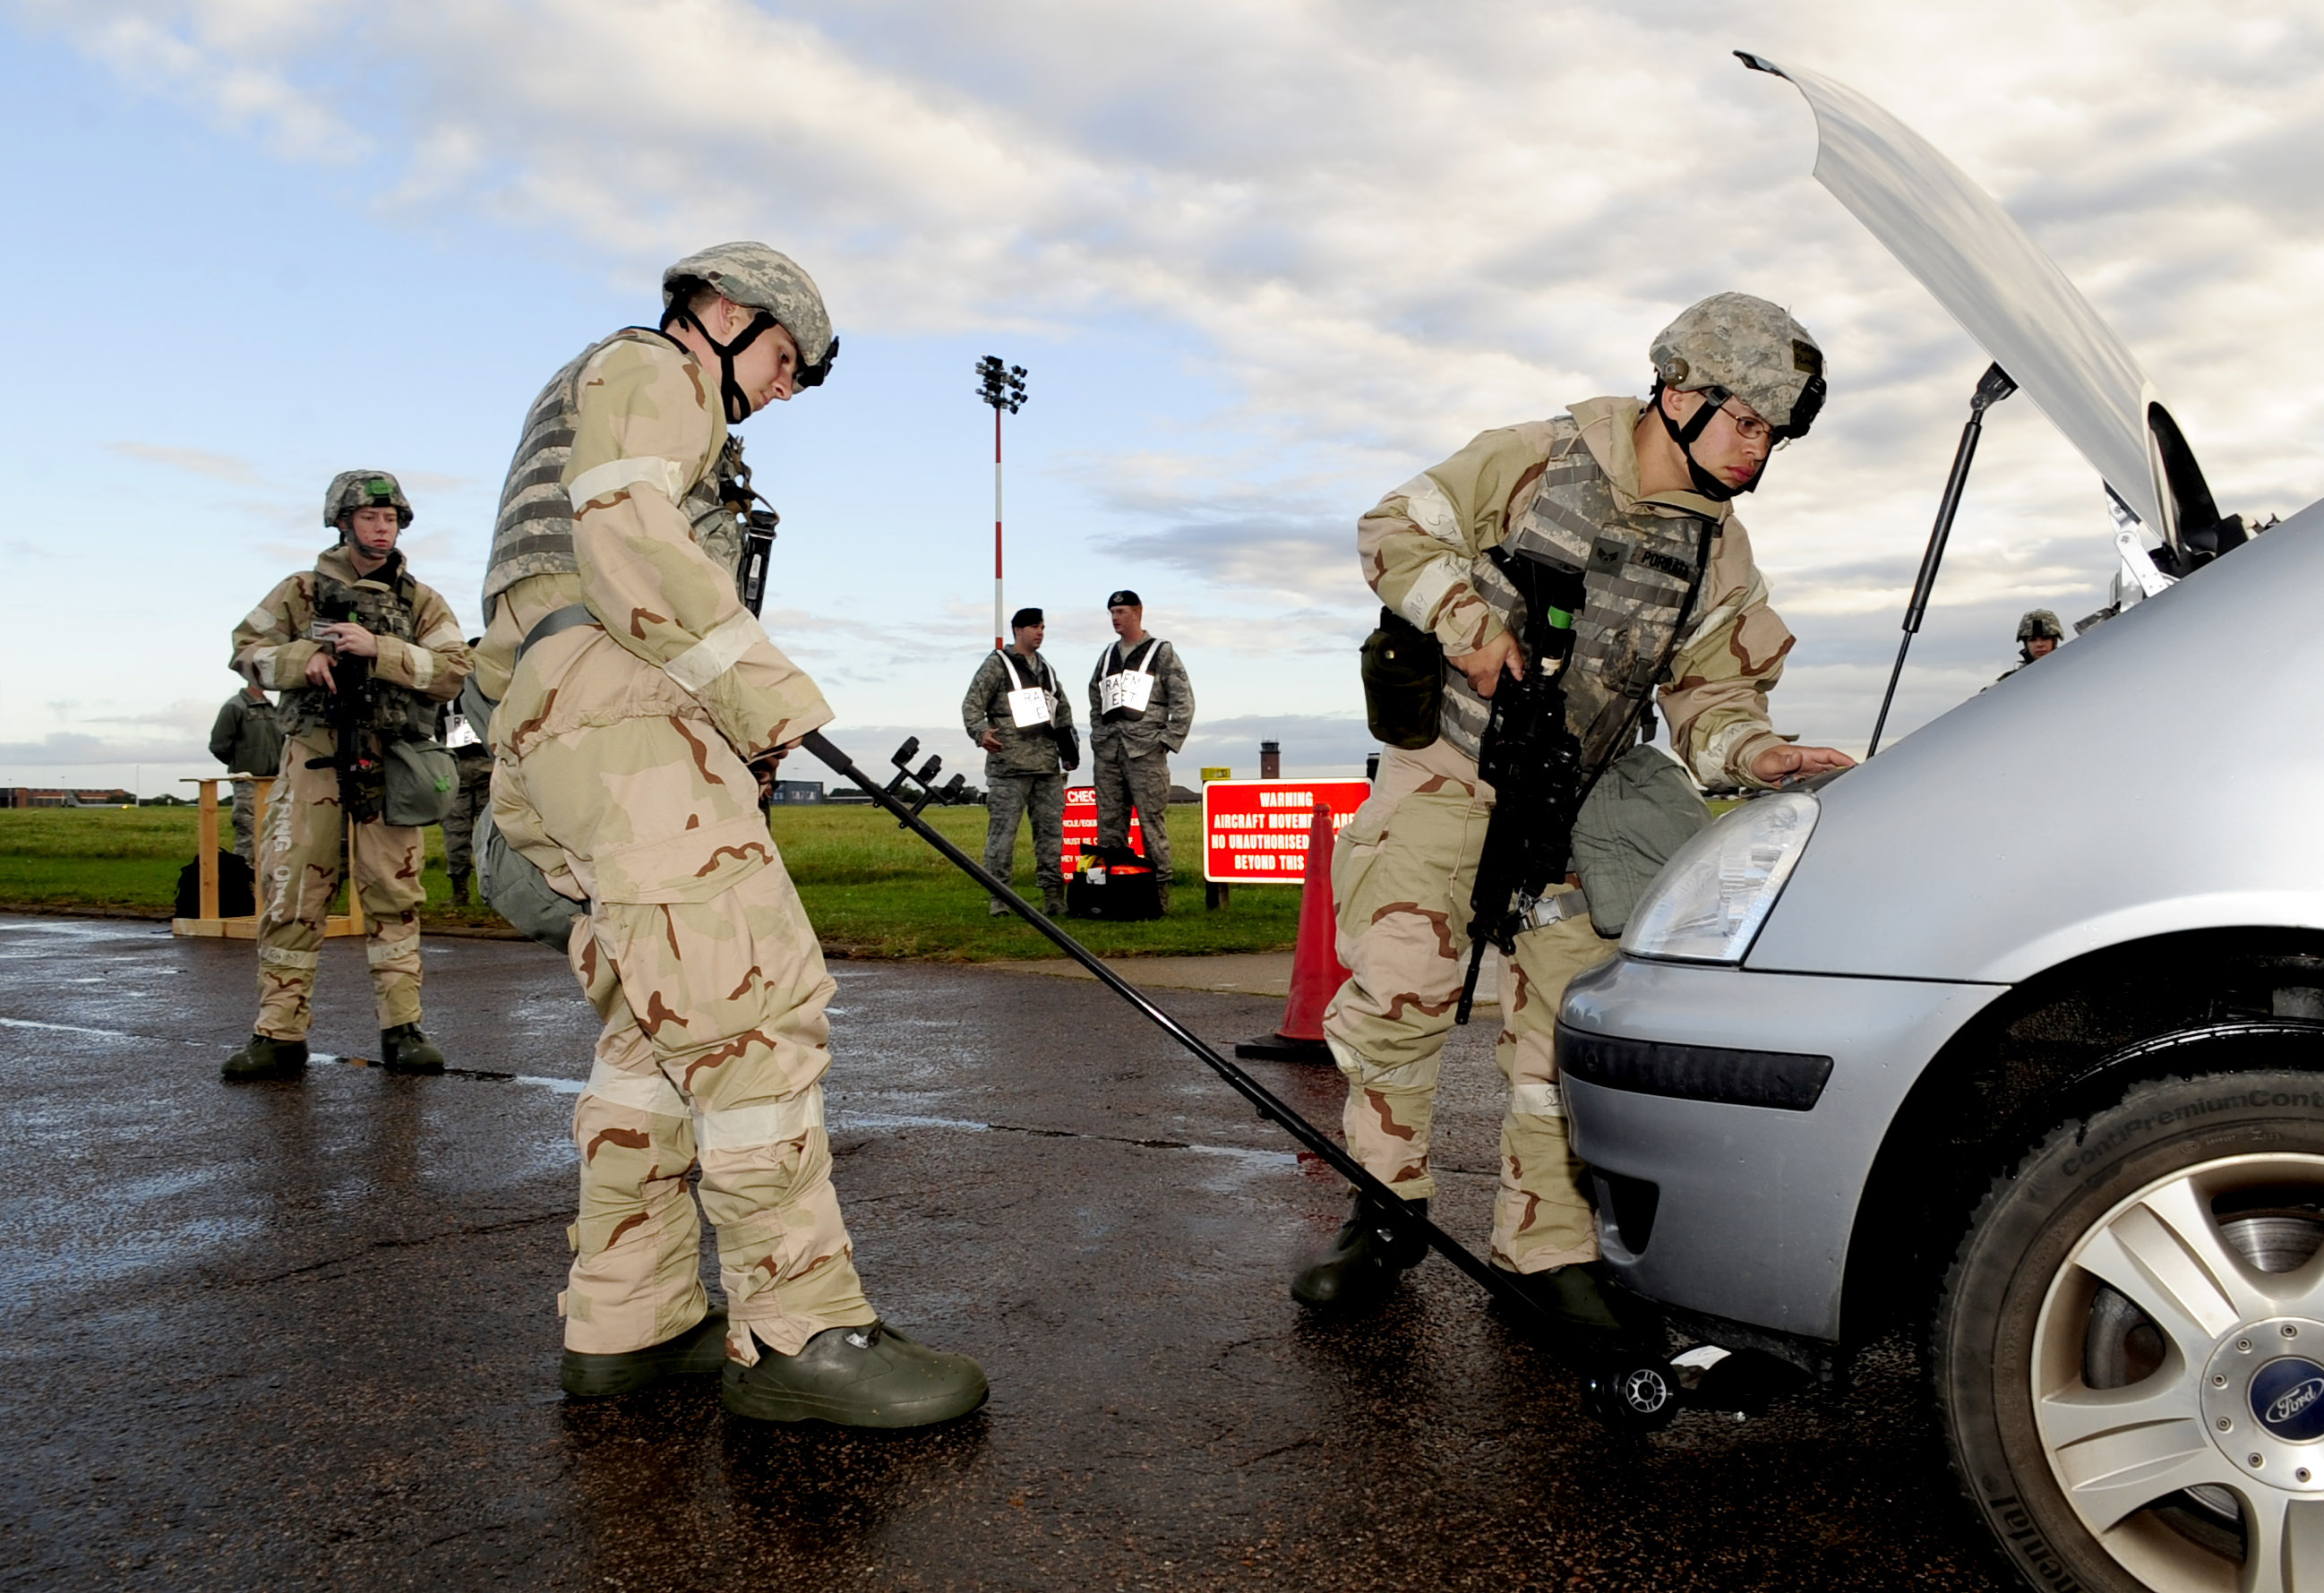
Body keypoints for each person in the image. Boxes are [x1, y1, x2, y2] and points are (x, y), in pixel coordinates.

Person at [476, 242, 987, 1426]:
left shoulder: (654, 395)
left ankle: (631, 1314)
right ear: (718, 310)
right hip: (618, 707)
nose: (788, 385)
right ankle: (801, 1332)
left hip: (565, 716)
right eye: (782, 357)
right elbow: (630, 533)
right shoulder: (651, 365)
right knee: (753, 1014)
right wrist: (770, 696)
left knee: (656, 1025)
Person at [1295, 293, 1855, 1324]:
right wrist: (1467, 623)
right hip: (1446, 771)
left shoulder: (1716, 551)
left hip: (1576, 795)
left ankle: (1545, 1250)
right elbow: (1391, 530)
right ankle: (1385, 1214)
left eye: (1773, 433)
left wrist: (1758, 751)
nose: (1757, 451)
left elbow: (1712, 695)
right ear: (1679, 393)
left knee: (1561, 1028)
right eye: (1744, 422)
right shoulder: (1534, 459)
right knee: (1397, 997)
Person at [222, 471, 474, 1082]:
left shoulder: (419, 601)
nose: (380, 527)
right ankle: (279, 1033)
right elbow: (244, 648)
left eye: (389, 518)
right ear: (343, 521)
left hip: (391, 761)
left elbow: (454, 670)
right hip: (313, 754)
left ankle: (403, 1028)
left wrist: (379, 650)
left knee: (395, 893)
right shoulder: (301, 592)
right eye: (368, 517)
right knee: (293, 892)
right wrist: (298, 659)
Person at [963, 606, 1076, 916]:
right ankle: (1000, 899)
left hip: (1046, 768)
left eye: (1042, 627)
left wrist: (1070, 751)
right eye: (1034, 627)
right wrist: (980, 733)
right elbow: (972, 704)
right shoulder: (996, 665)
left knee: (1052, 836)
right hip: (1009, 766)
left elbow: (1062, 712)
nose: (1039, 632)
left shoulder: (1047, 670)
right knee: (1002, 837)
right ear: (1018, 630)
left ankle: (1054, 898)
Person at [1086, 590, 1194, 910]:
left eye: (1121, 611)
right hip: (1109, 753)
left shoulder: (1162, 652)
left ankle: (1158, 897)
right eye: (1112, 612)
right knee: (1109, 826)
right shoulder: (1107, 655)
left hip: (1146, 752)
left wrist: (1166, 740)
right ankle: (1114, 895)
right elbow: (1095, 697)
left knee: (1151, 825)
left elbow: (1183, 701)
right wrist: (1098, 734)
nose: (1116, 618)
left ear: (1137, 612)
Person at [208, 666, 284, 865]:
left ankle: (266, 890)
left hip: (273, 782)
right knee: (248, 837)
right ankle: (242, 888)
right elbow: (219, 745)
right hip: (247, 782)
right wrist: (242, 766)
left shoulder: (271, 709)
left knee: (275, 836)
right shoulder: (234, 707)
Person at [435, 647, 492, 905]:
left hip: (486, 768)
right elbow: (436, 729)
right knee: (455, 833)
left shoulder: (489, 691)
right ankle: (460, 892)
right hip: (456, 769)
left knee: (492, 832)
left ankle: (495, 892)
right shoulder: (445, 695)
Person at [1996, 608, 2064, 680]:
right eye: (2033, 640)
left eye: (2045, 638)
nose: (2039, 644)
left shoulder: (2070, 670)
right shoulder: (2011, 681)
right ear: (2026, 644)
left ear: (2054, 641)